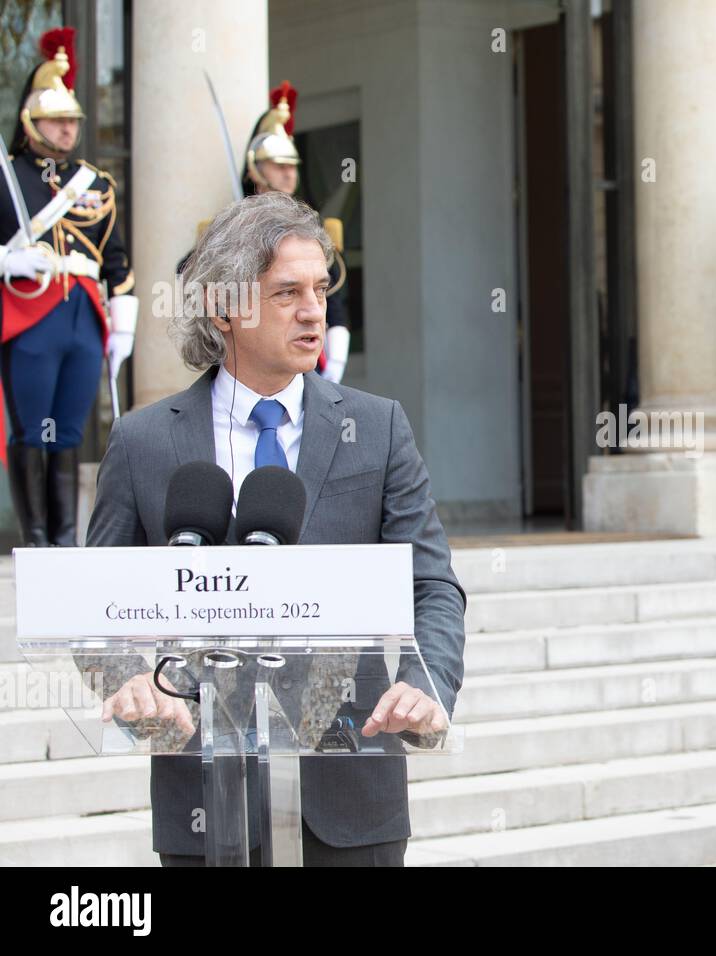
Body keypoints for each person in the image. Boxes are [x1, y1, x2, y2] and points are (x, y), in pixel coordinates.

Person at [86, 192, 465, 866]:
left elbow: (432, 585)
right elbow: (94, 601)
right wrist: (128, 679)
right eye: (287, 291)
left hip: (352, 804)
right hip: (202, 804)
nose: (314, 310)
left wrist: (423, 680)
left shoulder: (377, 429)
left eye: (320, 288)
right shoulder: (144, 442)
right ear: (228, 307)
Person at [0, 27, 136, 546]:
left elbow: (116, 260)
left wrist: (122, 325)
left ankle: (64, 538)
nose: (66, 129)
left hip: (83, 318)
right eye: (56, 119)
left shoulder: (96, 183)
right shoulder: (7, 176)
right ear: (31, 121)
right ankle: (34, 538)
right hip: (31, 316)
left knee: (70, 434)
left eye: (71, 120)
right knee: (32, 429)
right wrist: (8, 259)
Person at [185, 81, 352, 383]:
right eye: (277, 164)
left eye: (292, 164)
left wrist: (336, 354)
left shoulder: (312, 228)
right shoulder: (230, 230)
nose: (289, 173)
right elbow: (189, 276)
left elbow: (333, 294)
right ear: (255, 167)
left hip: (306, 356)